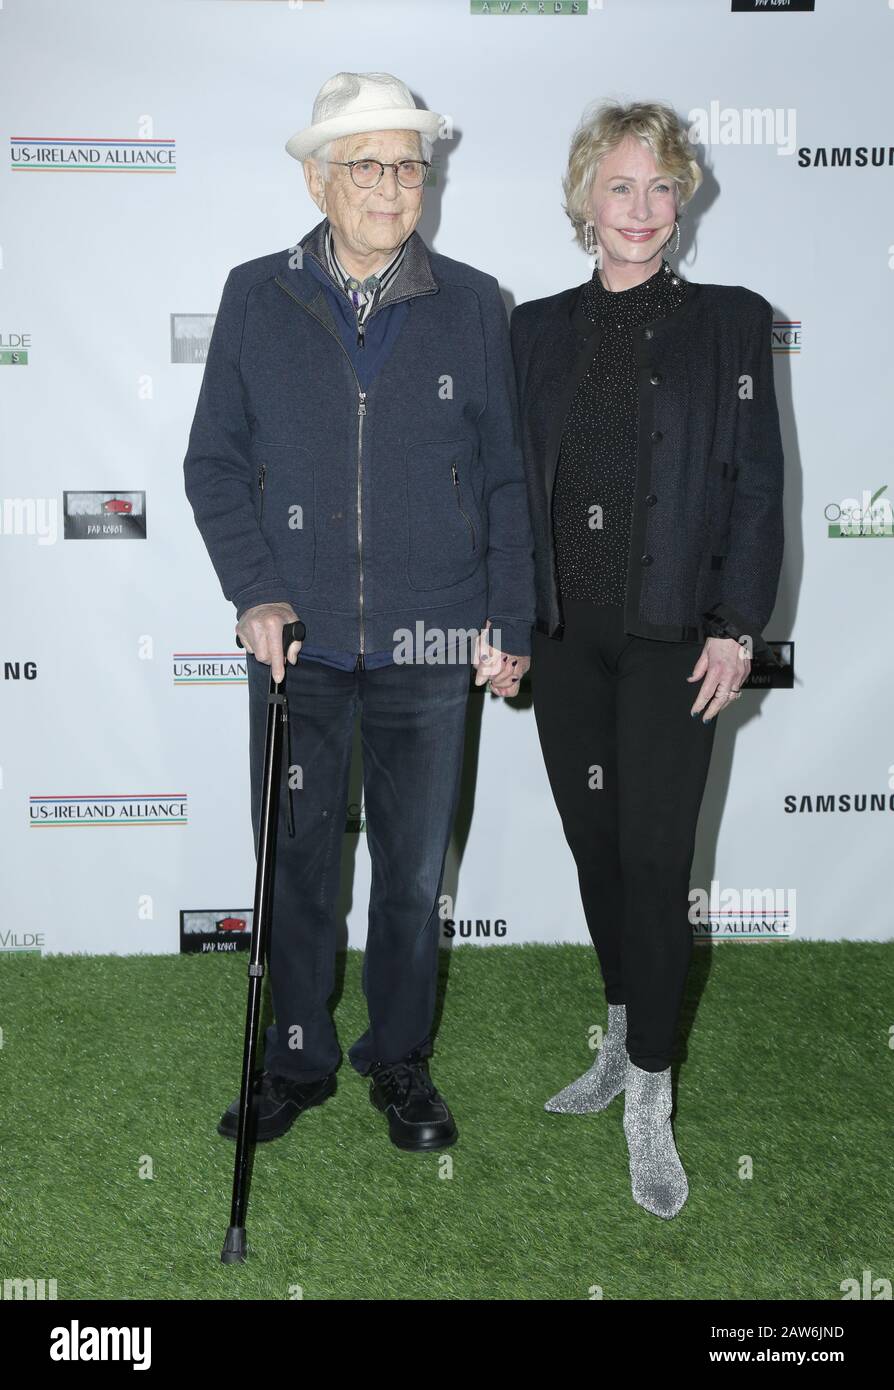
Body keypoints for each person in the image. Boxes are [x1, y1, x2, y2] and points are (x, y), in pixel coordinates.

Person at [183, 71, 534, 1153]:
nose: (392, 187)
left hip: (434, 641)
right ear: (317, 176)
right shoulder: (255, 293)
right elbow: (213, 462)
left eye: (408, 166)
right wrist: (257, 590)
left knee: (414, 872)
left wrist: (509, 616)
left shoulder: (476, 304)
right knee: (294, 859)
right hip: (301, 642)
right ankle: (296, 1055)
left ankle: (400, 1058)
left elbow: (509, 475)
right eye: (368, 165)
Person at [510, 100, 784, 1218]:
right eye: (619, 186)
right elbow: (505, 487)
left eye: (661, 186)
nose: (641, 207)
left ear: (686, 199)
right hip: (564, 636)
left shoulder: (730, 322)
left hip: (676, 635)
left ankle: (651, 1099)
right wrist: (499, 614)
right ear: (585, 200)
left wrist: (737, 622)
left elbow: (759, 486)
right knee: (596, 845)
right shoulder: (530, 330)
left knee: (658, 864)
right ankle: (624, 1035)